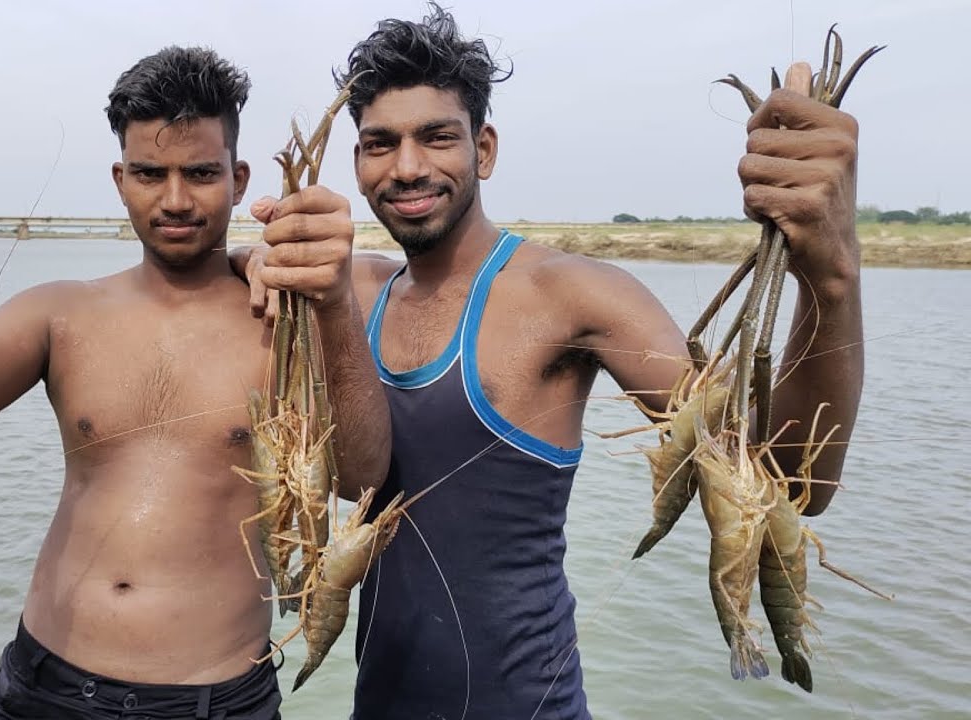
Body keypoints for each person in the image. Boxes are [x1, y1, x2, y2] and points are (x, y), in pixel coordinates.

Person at [237, 5, 866, 718]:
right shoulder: (352, 291)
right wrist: (256, 256)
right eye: (380, 144)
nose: (407, 167)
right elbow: (233, 263)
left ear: (484, 150)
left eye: (437, 137)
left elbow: (788, 478)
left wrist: (832, 273)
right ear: (357, 162)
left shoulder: (572, 293)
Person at [0, 46, 390, 720]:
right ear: (120, 179)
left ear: (238, 180)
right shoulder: (59, 313)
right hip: (44, 685)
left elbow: (359, 479)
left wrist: (326, 297)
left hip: (216, 698)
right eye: (150, 173)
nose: (176, 199)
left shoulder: (284, 322)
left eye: (201, 173)